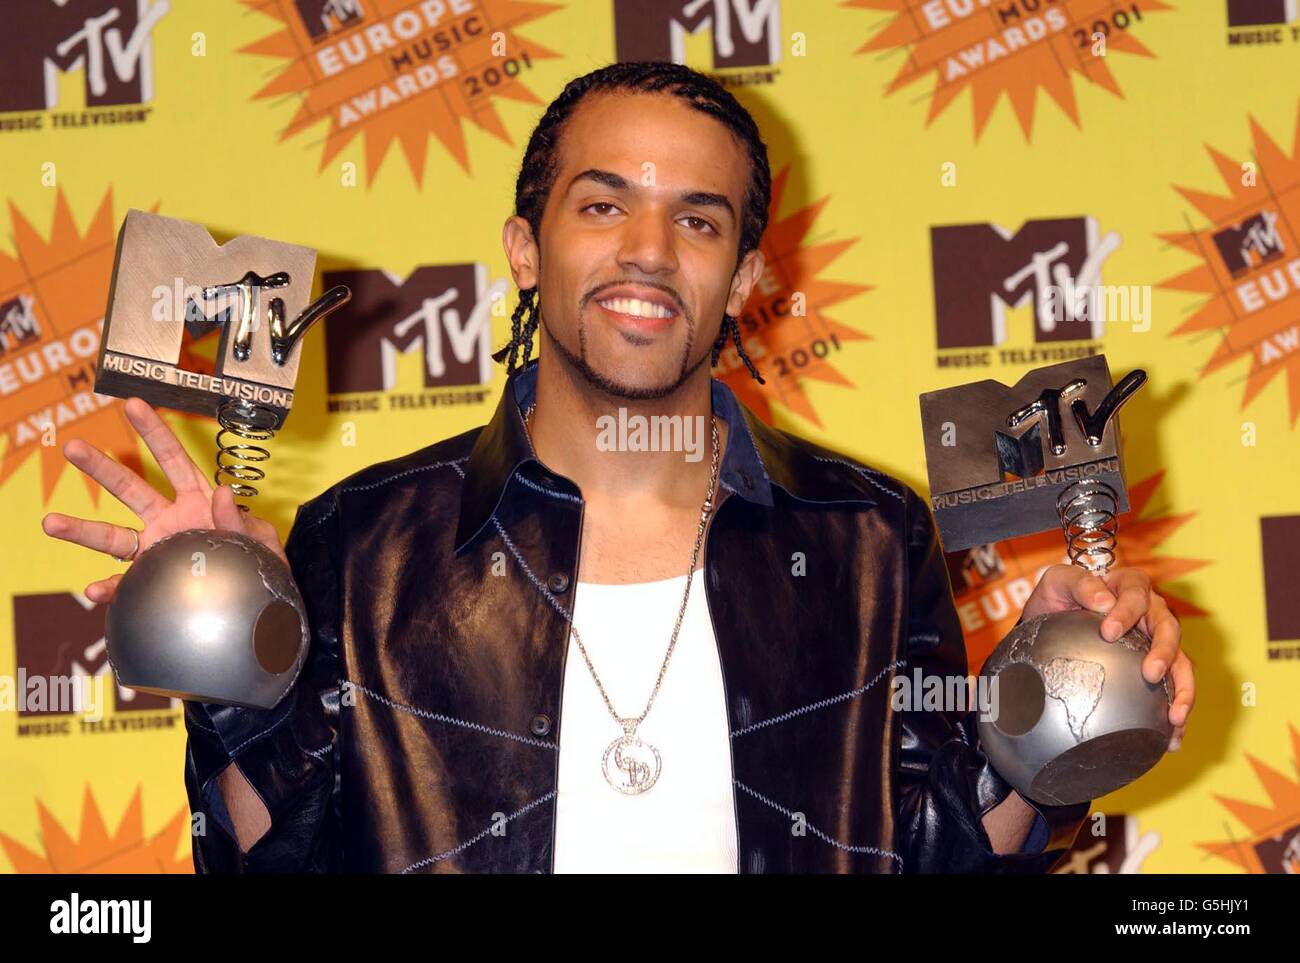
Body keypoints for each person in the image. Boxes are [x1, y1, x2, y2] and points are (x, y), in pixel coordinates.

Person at [41, 61, 1194, 873]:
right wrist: (243, 684)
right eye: (603, 205)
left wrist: (1047, 722)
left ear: (742, 278)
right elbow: (270, 861)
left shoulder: (863, 532)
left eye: (698, 221)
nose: (647, 250)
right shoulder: (362, 537)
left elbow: (940, 856)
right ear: (523, 249)